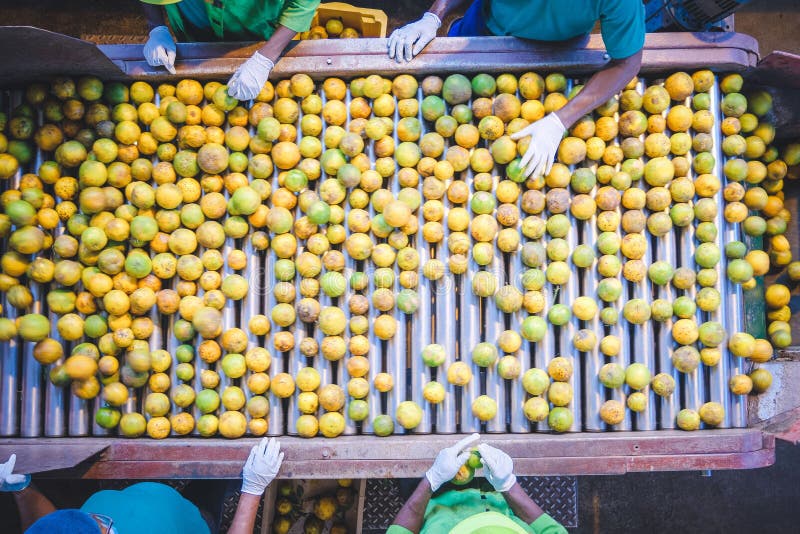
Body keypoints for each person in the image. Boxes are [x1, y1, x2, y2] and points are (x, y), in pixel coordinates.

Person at [387, 0, 645, 181]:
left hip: (560, 52)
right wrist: (434, 16)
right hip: (486, 33)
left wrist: (559, 120)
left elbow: (627, 62)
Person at [0, 437, 284, 534]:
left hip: (147, 499)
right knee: (209, 496)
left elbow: (47, 525)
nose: (104, 521)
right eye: (104, 527)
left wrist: (23, 490)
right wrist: (253, 489)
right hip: (189, 522)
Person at [139, 0, 320, 99]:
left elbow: (304, 2)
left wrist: (267, 56)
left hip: (255, 24)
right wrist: (157, 28)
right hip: (191, 20)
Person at [388, 434, 567, 533]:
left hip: (434, 498)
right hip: (502, 496)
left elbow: (399, 532)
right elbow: (550, 530)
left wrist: (431, 480)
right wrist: (508, 484)